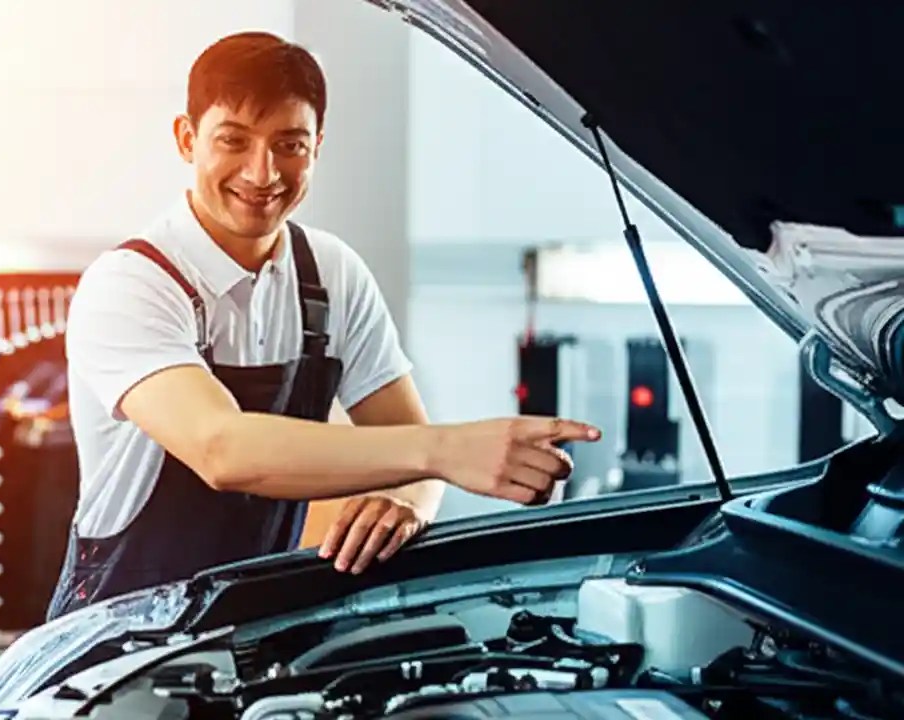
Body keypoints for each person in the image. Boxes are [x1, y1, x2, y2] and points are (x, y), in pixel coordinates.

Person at [46, 31, 600, 619]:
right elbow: (222, 449)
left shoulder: (331, 274)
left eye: (289, 144)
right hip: (116, 628)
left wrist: (408, 501)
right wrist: (447, 449)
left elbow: (410, 447)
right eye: (234, 141)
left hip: (254, 617)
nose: (262, 172)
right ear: (187, 139)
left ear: (317, 147)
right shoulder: (131, 284)